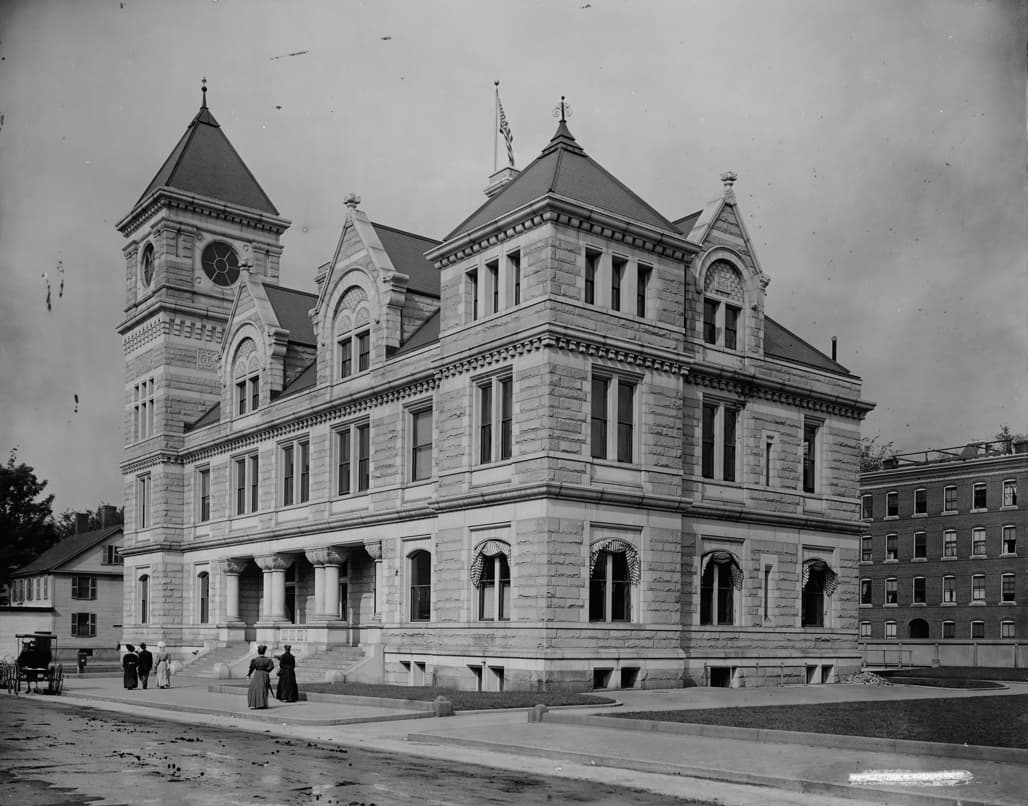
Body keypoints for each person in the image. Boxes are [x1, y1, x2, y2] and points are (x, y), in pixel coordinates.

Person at [246, 645, 274, 709]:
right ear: (264, 652)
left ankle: (256, 703)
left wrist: (249, 674)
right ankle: (263, 704)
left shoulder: (255, 660)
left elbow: (252, 668)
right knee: (264, 689)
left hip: (257, 674)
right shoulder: (268, 660)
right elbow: (271, 667)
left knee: (255, 689)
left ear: (258, 652)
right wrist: (266, 671)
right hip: (264, 674)